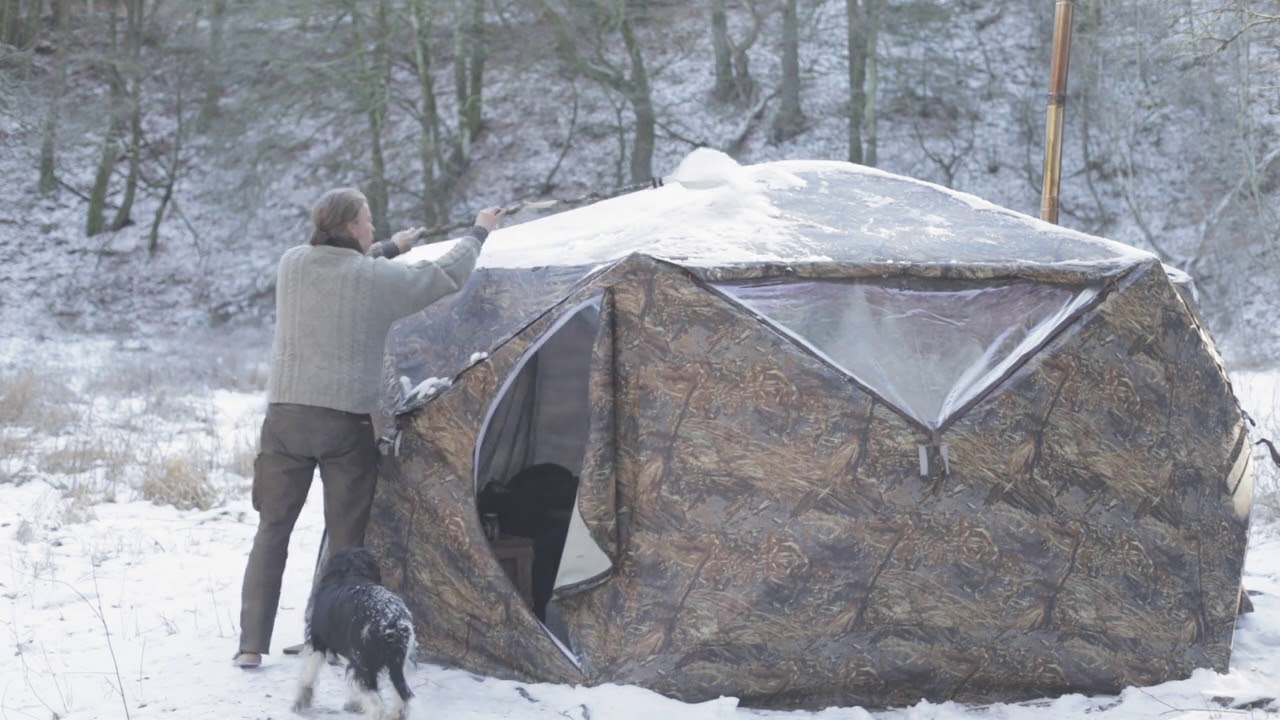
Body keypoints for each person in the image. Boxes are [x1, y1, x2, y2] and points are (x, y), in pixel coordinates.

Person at [233, 188, 504, 669]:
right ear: (353, 228)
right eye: (369, 221)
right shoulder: (373, 279)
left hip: (284, 423)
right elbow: (440, 275)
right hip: (343, 424)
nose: (374, 228)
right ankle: (332, 642)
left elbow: (343, 272)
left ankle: (251, 646)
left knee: (272, 530)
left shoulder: (292, 264)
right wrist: (479, 230)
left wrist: (394, 246)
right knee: (347, 542)